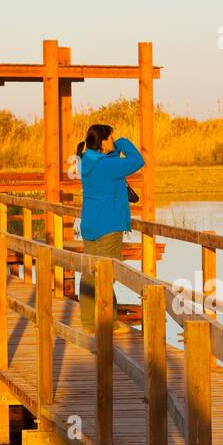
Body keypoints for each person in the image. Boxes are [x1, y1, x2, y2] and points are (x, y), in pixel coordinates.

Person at [76, 123, 144, 332]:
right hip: (108, 226)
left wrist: (112, 150)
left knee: (90, 273)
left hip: (90, 225)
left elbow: (111, 164)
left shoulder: (86, 160)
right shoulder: (107, 167)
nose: (114, 141)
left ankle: (89, 322)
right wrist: (122, 143)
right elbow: (137, 161)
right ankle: (107, 322)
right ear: (104, 141)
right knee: (106, 274)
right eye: (111, 138)